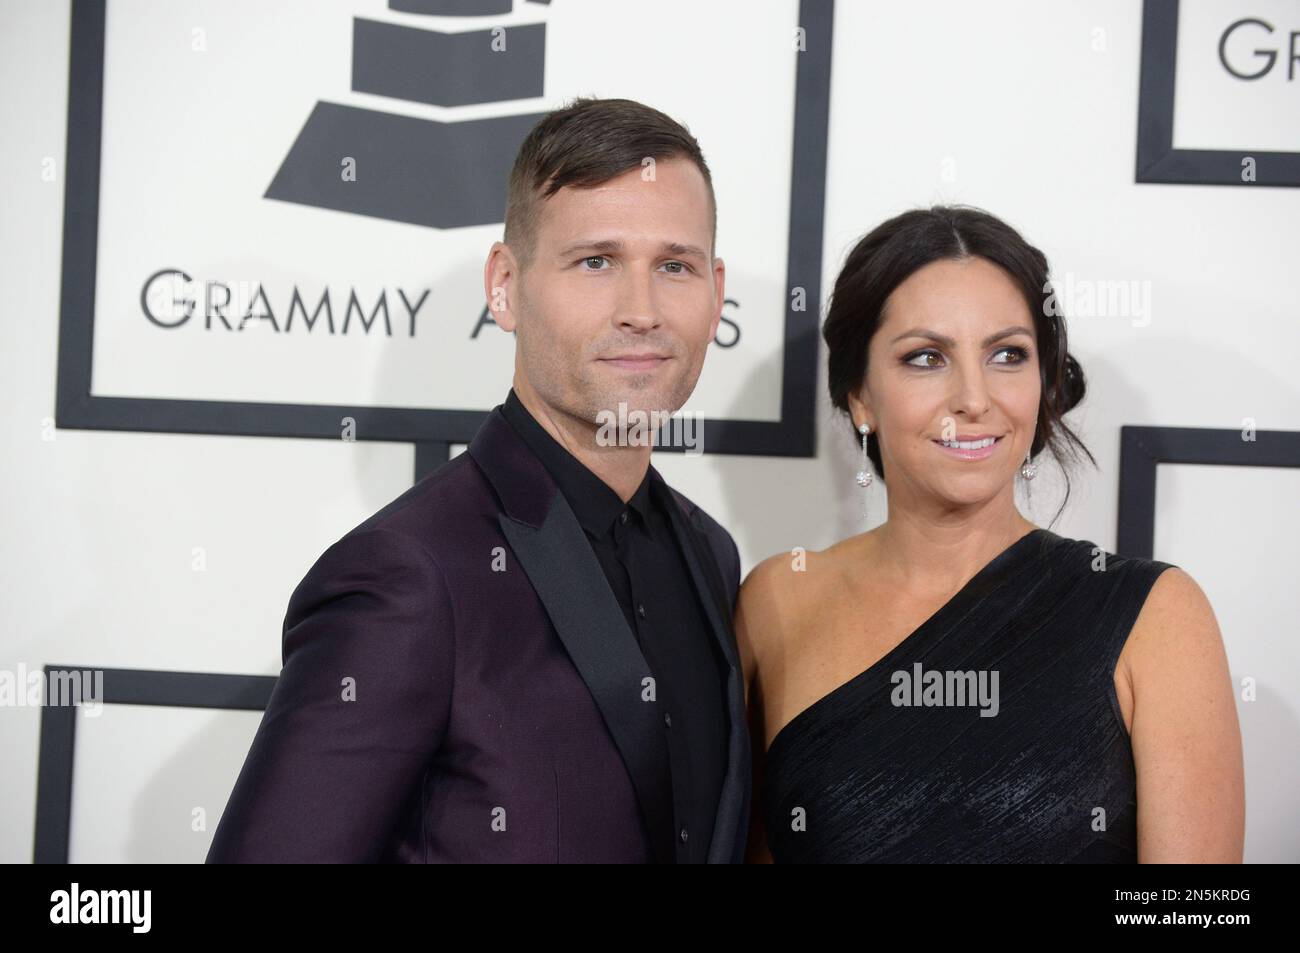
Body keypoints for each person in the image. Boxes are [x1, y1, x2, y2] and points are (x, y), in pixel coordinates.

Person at [207, 97, 749, 863]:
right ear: (504, 285)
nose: (641, 309)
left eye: (674, 266)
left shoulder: (709, 555)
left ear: (716, 291)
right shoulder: (408, 575)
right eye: (595, 261)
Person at [737, 205, 1245, 863]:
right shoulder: (779, 599)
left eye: (1008, 354)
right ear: (860, 394)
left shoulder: (1159, 616)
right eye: (926, 357)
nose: (974, 398)